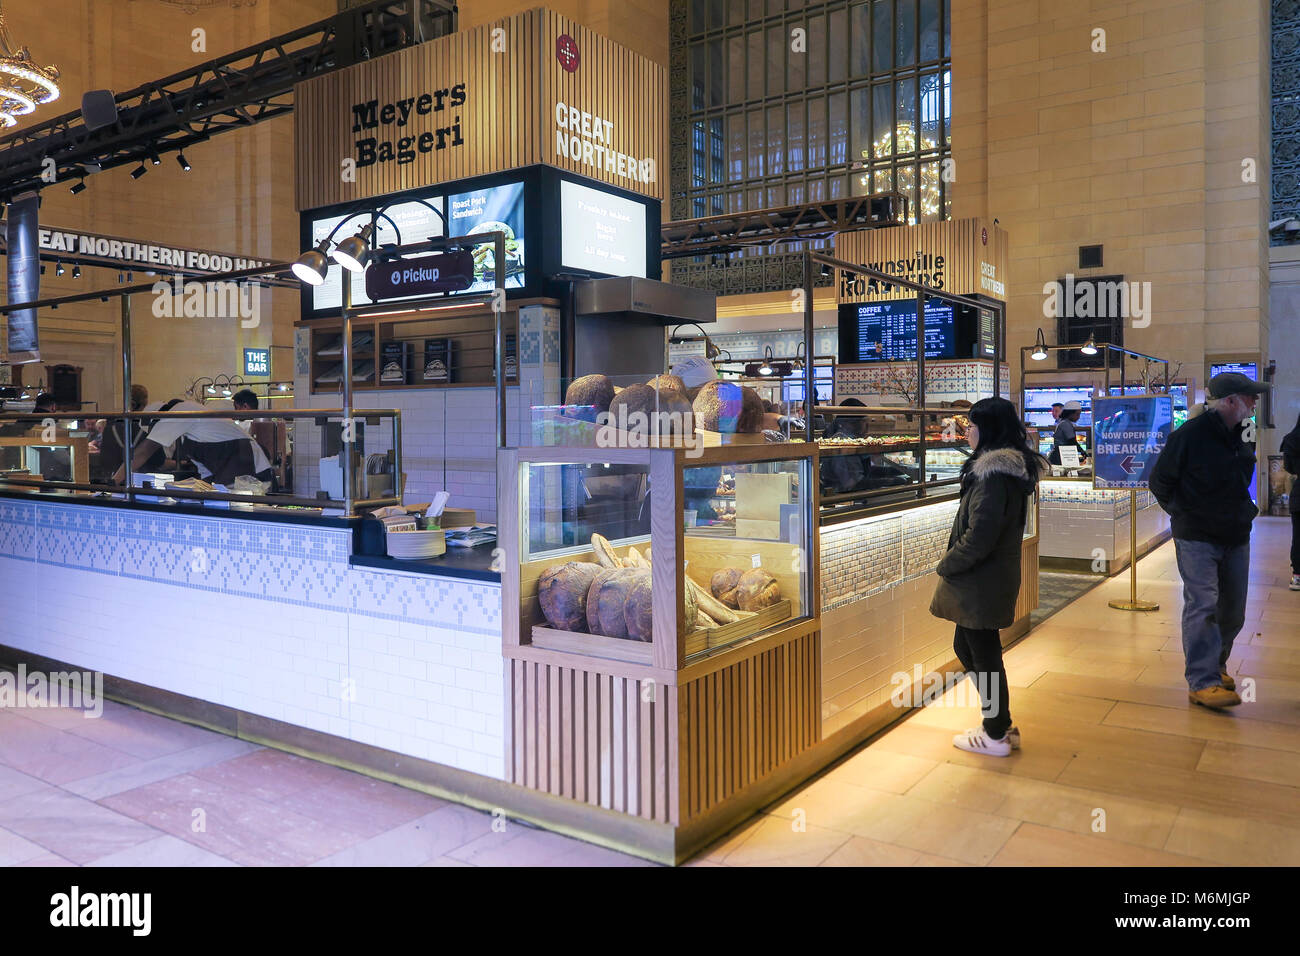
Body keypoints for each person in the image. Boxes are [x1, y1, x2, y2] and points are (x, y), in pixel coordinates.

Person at [930, 396, 1047, 757]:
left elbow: (980, 535)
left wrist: (947, 564)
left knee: (981, 653)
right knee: (972, 648)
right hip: (989, 576)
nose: (967, 432)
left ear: (987, 429)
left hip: (980, 578)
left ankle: (995, 732)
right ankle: (1000, 725)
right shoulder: (1005, 471)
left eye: (971, 426)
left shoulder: (993, 476)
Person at [1149, 372, 1269, 708]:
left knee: (1232, 610)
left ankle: (1216, 665)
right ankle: (1202, 680)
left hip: (1236, 532)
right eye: (1250, 397)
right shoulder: (1189, 435)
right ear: (1231, 401)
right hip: (1197, 536)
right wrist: (1185, 514)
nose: (1255, 402)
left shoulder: (1243, 434)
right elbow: (1160, 482)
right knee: (1203, 605)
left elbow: (1242, 475)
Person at [112, 399, 272, 486]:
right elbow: (206, 470)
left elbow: (144, 451)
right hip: (236, 476)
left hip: (252, 473)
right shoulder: (188, 433)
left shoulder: (181, 411)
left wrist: (114, 481)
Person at [1280, 412, 1300, 591]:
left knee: (1298, 537)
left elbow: (1289, 468)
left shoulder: (1291, 439)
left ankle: (1297, 576)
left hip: (1299, 495)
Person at [1048, 400, 1086, 464]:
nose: (1079, 417)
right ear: (1070, 413)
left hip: (1062, 456)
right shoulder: (1065, 424)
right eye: (1077, 414)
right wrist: (1084, 454)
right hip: (1061, 457)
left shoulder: (1064, 422)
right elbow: (1072, 441)